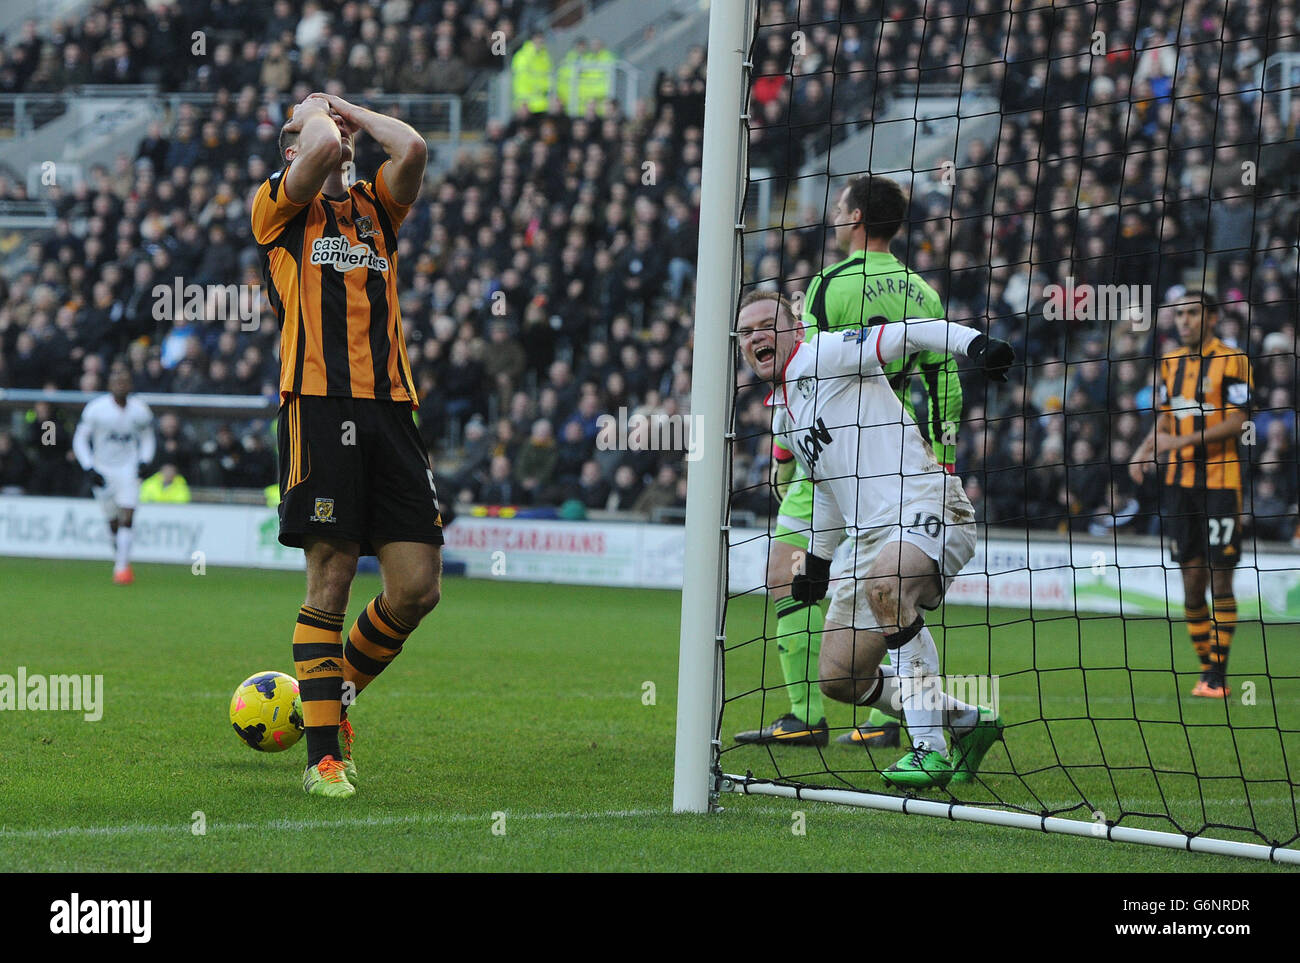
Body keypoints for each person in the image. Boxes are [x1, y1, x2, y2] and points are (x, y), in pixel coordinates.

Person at [735, 292, 1012, 788]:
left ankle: (930, 750)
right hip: (866, 538)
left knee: (890, 585)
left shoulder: (825, 352)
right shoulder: (784, 416)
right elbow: (827, 490)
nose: (756, 336)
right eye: (746, 332)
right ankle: (968, 722)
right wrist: (817, 564)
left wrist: (975, 346)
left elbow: (910, 333)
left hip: (925, 501)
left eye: (765, 325)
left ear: (795, 330)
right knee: (840, 677)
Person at [251, 91, 440, 798]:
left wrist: (349, 108)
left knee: (417, 588)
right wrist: (319, 117)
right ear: (292, 151)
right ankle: (323, 758)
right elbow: (324, 150)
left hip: (391, 409)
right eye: (313, 131)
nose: (340, 140)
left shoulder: (378, 210)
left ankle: (334, 697)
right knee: (330, 580)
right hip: (319, 405)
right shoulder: (280, 208)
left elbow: (415, 149)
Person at [734, 176, 963, 751]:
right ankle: (902, 712)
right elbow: (943, 377)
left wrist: (785, 462)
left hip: (839, 447)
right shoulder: (921, 291)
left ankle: (806, 714)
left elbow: (806, 364)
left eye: (839, 208)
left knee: (785, 575)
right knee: (870, 596)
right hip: (901, 445)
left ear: (855, 216)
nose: (833, 217)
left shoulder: (828, 285)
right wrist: (946, 451)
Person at [1129, 291, 1252, 698]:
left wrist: (1175, 445)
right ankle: (1207, 670)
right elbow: (1165, 420)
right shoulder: (1168, 363)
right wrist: (1145, 449)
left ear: (1212, 318)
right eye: (1179, 314)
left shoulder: (1234, 360)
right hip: (1180, 487)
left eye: (1193, 313)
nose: (1184, 321)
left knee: (1221, 578)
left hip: (1220, 482)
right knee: (1191, 580)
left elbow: (1237, 422)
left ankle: (1217, 674)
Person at [72, 366, 155, 585]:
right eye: (117, 382)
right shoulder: (96, 409)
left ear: (131, 385)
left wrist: (145, 460)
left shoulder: (140, 410)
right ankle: (119, 554)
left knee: (128, 514)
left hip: (128, 469)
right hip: (103, 468)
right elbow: (80, 440)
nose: (121, 385)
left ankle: (121, 568)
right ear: (109, 386)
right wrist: (89, 467)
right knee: (112, 520)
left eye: (125, 381)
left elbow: (148, 438)